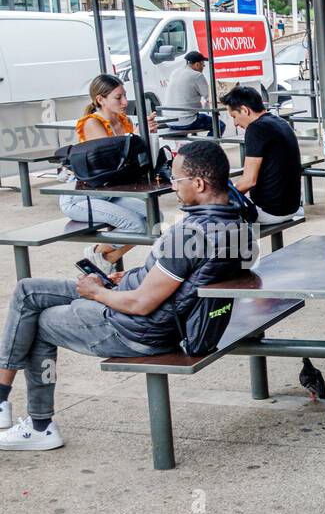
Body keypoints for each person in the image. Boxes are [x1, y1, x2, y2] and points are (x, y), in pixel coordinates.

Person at [0, 141, 257, 449]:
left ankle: (40, 426)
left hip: (141, 329)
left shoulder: (191, 234)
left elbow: (141, 303)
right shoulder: (236, 219)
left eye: (176, 179)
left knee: (40, 323)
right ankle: (2, 401)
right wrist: (129, 277)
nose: (172, 185)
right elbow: (175, 279)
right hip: (154, 307)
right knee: (28, 291)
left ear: (199, 183)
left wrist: (96, 292)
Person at [58, 74, 158, 274]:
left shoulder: (125, 121)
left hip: (109, 193)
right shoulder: (91, 123)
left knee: (156, 218)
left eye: (125, 95)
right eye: (118, 97)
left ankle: (102, 257)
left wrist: (145, 135)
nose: (124, 102)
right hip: (81, 197)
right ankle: (99, 254)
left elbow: (134, 160)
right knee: (136, 226)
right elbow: (113, 161)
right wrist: (137, 135)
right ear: (100, 100)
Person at [222, 86, 303, 223]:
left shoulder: (256, 129)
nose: (235, 123)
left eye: (234, 116)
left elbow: (249, 181)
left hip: (270, 211)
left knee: (212, 217)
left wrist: (221, 199)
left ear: (245, 110)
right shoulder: (281, 122)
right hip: (291, 207)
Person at [163, 51, 224, 135]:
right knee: (220, 125)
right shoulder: (197, 75)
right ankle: (206, 148)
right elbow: (209, 97)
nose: (203, 67)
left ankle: (199, 146)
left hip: (170, 121)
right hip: (186, 121)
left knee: (197, 116)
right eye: (203, 65)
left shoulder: (175, 72)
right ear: (197, 64)